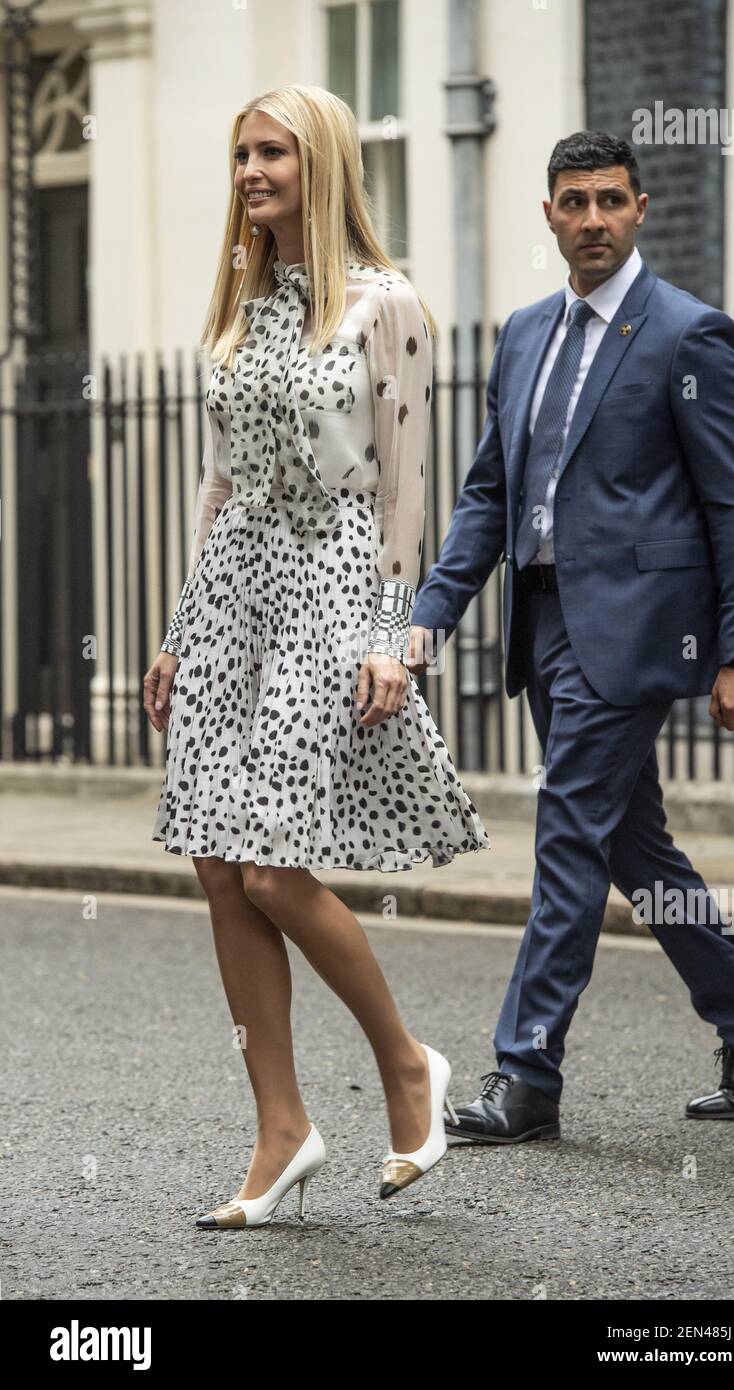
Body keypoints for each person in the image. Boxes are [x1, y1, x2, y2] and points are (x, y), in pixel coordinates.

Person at [142, 84, 489, 1226]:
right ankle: (281, 1128)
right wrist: (180, 632)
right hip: (233, 587)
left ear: (320, 161)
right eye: (240, 151)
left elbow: (404, 486)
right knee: (210, 856)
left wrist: (396, 636)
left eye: (271, 151)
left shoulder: (385, 305)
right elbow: (219, 483)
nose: (249, 170)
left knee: (273, 865)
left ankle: (405, 1065)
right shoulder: (239, 308)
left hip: (333, 585)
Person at [407, 129, 734, 1145]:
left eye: (608, 201)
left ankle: (525, 1073)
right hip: (544, 623)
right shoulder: (524, 333)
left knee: (568, 833)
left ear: (639, 208)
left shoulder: (687, 333)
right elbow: (490, 493)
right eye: (571, 203)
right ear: (547, 216)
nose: (590, 221)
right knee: (633, 846)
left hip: (636, 630)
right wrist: (427, 617)